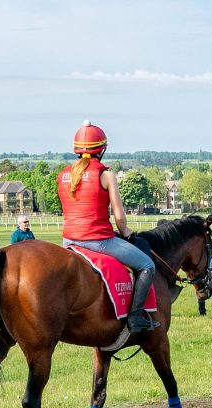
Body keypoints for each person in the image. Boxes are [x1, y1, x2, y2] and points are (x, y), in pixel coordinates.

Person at [57, 121, 159, 333]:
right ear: (102, 149)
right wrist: (126, 232)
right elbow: (119, 217)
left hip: (68, 240)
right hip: (98, 240)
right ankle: (135, 317)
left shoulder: (63, 175)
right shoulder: (106, 175)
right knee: (147, 265)